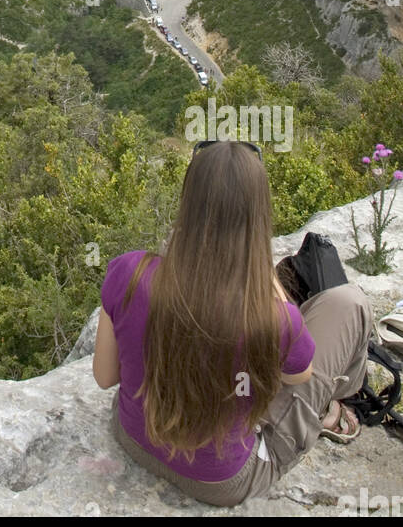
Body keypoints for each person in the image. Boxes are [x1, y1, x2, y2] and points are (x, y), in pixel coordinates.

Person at [92, 138, 372, 507]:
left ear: (187, 204)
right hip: (221, 481)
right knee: (348, 303)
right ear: (258, 219)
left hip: (134, 439)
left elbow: (105, 377)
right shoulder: (273, 319)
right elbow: (296, 380)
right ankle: (332, 410)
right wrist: (262, 276)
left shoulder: (128, 271)